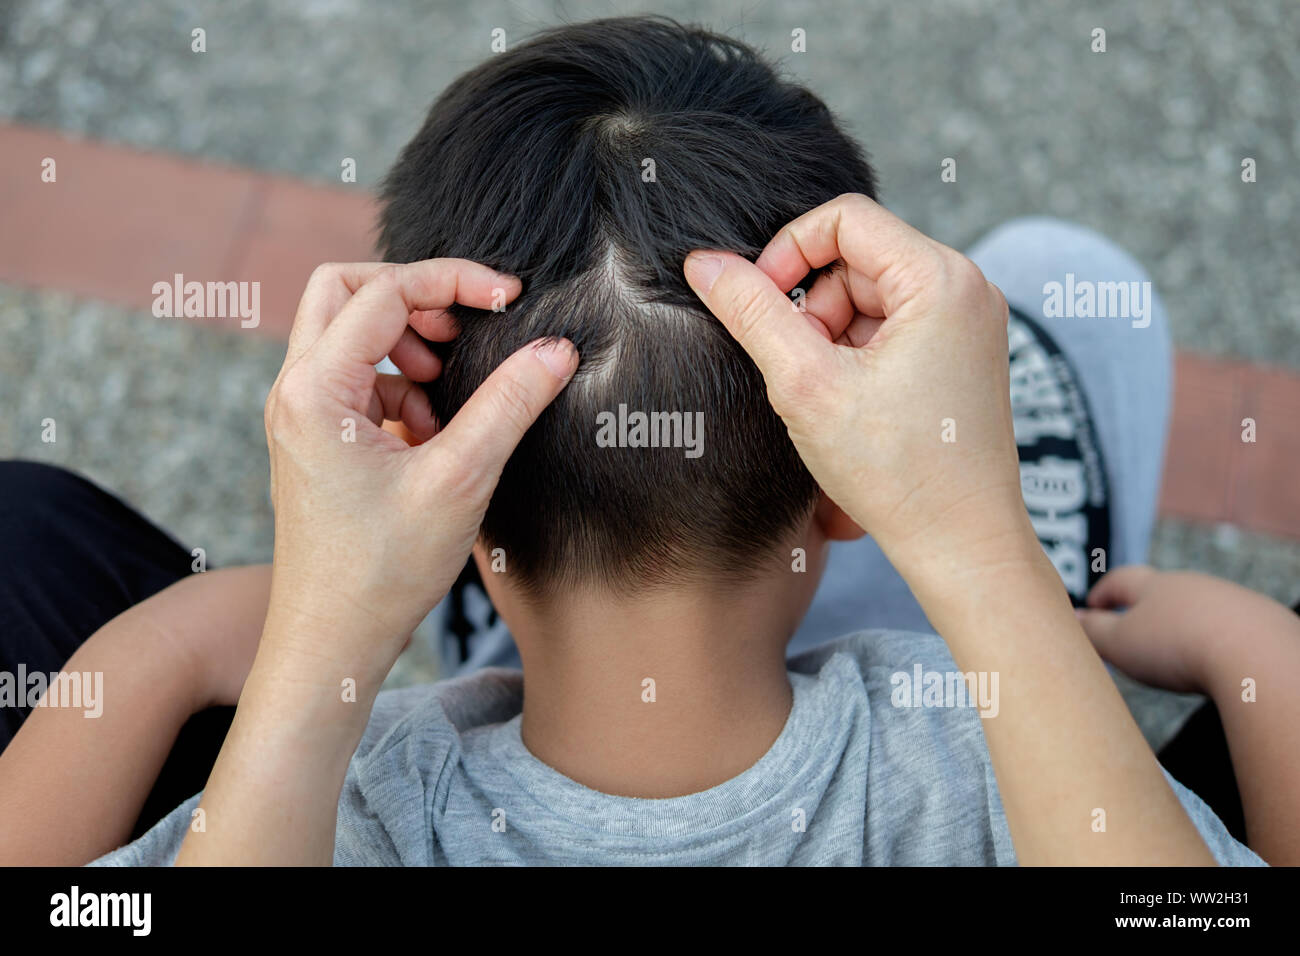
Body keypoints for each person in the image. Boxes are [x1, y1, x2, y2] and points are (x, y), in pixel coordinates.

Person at [0, 17, 1291, 865]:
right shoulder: (979, 755)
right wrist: (1010, 563)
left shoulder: (352, 802)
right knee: (1065, 280)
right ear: (848, 491)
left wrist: (249, 643)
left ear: (454, 516)